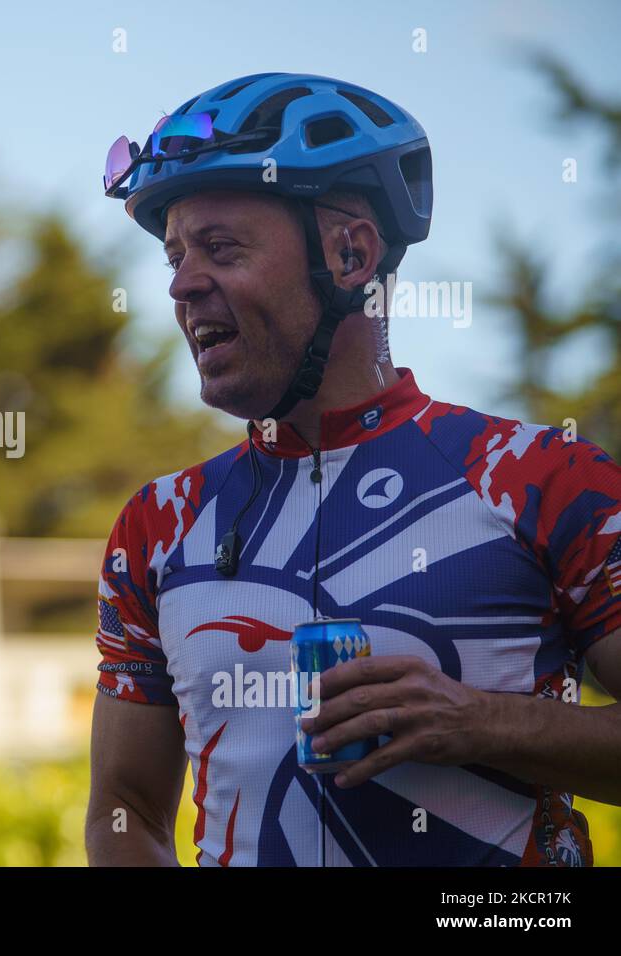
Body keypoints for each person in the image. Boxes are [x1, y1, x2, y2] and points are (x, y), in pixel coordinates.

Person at [86, 72, 621, 866]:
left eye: (220, 248)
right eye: (174, 255)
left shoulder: (539, 476)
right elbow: (124, 808)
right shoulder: (156, 525)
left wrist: (479, 722)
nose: (181, 284)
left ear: (349, 252)